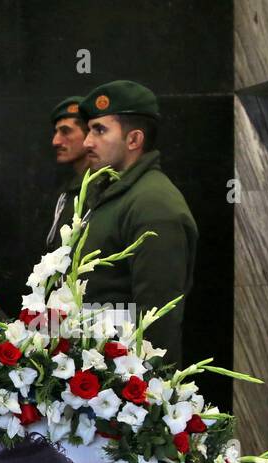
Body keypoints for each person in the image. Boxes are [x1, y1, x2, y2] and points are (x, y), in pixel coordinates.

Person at [78, 80, 197, 362]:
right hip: (98, 367)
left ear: (134, 140)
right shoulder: (111, 190)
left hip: (125, 383)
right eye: (89, 130)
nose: (87, 142)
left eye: (100, 130)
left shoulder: (153, 204)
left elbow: (158, 317)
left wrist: (150, 396)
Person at [46, 96, 89, 249]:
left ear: (90, 135)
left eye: (65, 131)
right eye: (56, 132)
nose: (55, 141)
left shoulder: (102, 191)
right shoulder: (66, 191)